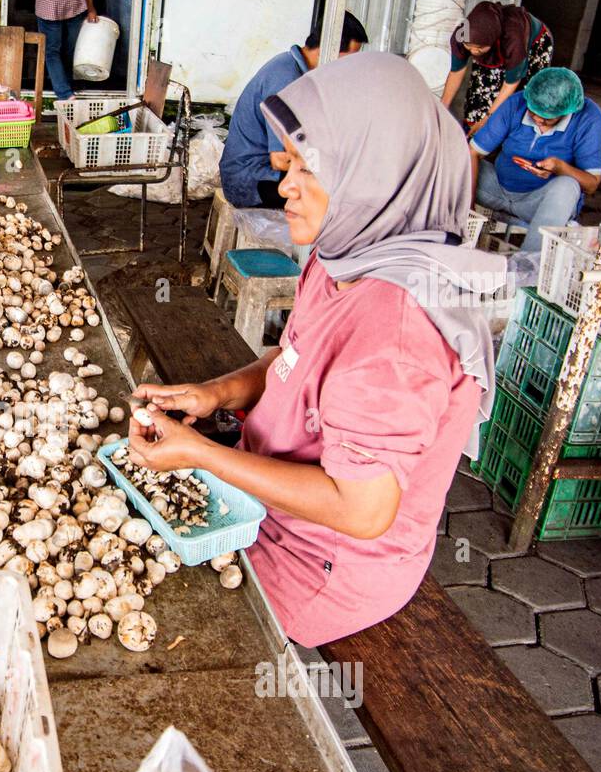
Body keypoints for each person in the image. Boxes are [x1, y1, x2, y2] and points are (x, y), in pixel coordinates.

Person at [129, 52, 506, 648]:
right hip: (269, 499)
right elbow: (293, 356)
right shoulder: (346, 255)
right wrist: (217, 394)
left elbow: (361, 512)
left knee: (159, 618)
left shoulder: (396, 337)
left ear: (373, 174)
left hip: (322, 560)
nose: (284, 186)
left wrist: (200, 454)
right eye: (289, 165)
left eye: (309, 169)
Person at [218, 12, 367, 209]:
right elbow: (280, 160)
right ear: (328, 50)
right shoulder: (286, 80)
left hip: (260, 174)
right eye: (347, 59)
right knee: (341, 195)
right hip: (251, 180)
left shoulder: (293, 67)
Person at [470, 67, 601, 253]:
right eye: (533, 112)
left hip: (538, 204)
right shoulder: (516, 103)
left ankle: (526, 265)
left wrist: (560, 167)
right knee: (455, 161)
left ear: (567, 111)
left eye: (547, 119)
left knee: (567, 186)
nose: (538, 120)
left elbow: (592, 184)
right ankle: (450, 237)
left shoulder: (589, 118)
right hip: (495, 189)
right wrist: (468, 208)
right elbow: (473, 153)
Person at [441, 1, 553, 136]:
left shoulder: (514, 39)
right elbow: (456, 72)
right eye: (469, 46)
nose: (474, 52)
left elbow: (511, 83)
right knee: (480, 91)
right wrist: (441, 109)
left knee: (525, 93)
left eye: (480, 48)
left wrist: (487, 117)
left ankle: (508, 138)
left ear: (492, 40)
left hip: (535, 43)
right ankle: (470, 135)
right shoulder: (462, 34)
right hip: (494, 44)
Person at [37, 0, 98, 101]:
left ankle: (66, 94)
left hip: (49, 8)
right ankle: (68, 88)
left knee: (52, 53)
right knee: (69, 50)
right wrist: (91, 8)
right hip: (73, 5)